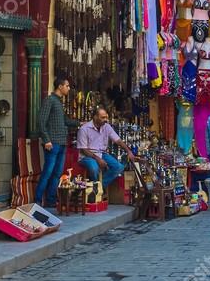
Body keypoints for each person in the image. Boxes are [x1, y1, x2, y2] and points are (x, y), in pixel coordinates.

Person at [36, 77, 75, 207]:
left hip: (62, 143)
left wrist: (81, 123)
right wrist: (46, 140)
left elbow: (65, 121)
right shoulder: (49, 100)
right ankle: (37, 200)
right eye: (67, 85)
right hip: (52, 143)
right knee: (47, 172)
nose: (68, 88)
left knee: (57, 173)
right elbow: (41, 121)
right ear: (60, 86)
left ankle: (51, 201)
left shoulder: (58, 102)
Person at [77, 107, 137, 189]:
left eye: (106, 117)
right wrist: (98, 159)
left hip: (102, 154)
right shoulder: (84, 129)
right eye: (103, 117)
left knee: (118, 167)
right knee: (94, 168)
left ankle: (98, 187)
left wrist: (129, 151)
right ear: (95, 117)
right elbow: (84, 150)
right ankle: (96, 189)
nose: (105, 120)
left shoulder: (106, 127)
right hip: (87, 156)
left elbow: (118, 140)